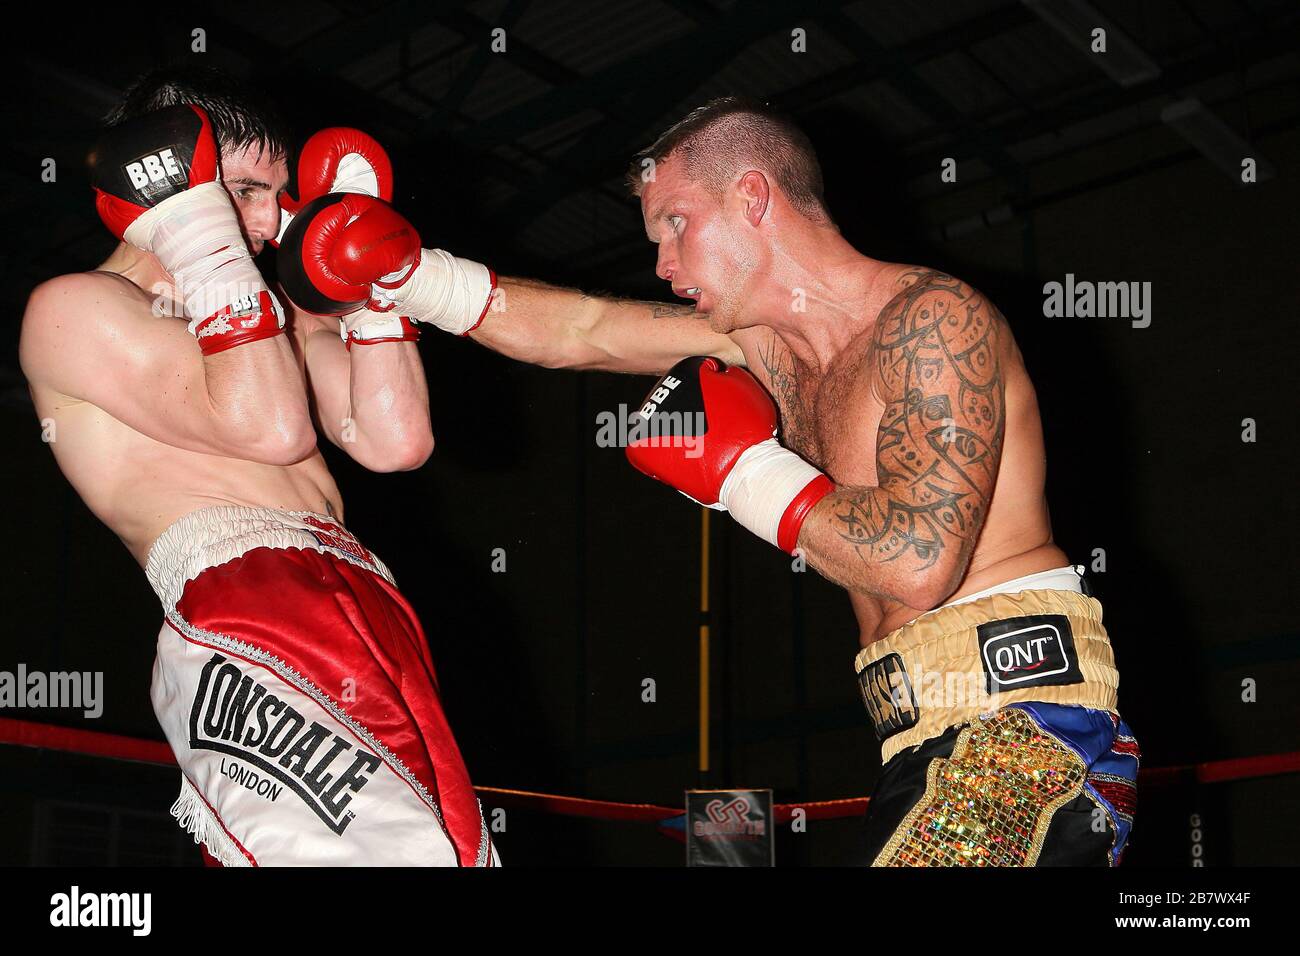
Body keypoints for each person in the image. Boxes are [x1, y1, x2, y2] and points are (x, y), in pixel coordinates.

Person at [342, 97, 1139, 866]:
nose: (662, 261)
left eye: (676, 224)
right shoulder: (767, 350)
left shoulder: (930, 320)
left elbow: (918, 562)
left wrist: (746, 471)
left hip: (1027, 729)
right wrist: (408, 277)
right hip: (916, 740)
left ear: (753, 196)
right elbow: (578, 330)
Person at [19, 66, 496, 866]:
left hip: (366, 600)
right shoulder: (74, 309)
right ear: (162, 178)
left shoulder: (279, 317)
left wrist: (371, 281)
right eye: (244, 189)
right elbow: (271, 426)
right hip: (244, 600)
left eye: (281, 194)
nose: (275, 222)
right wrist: (202, 237)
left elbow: (395, 441)